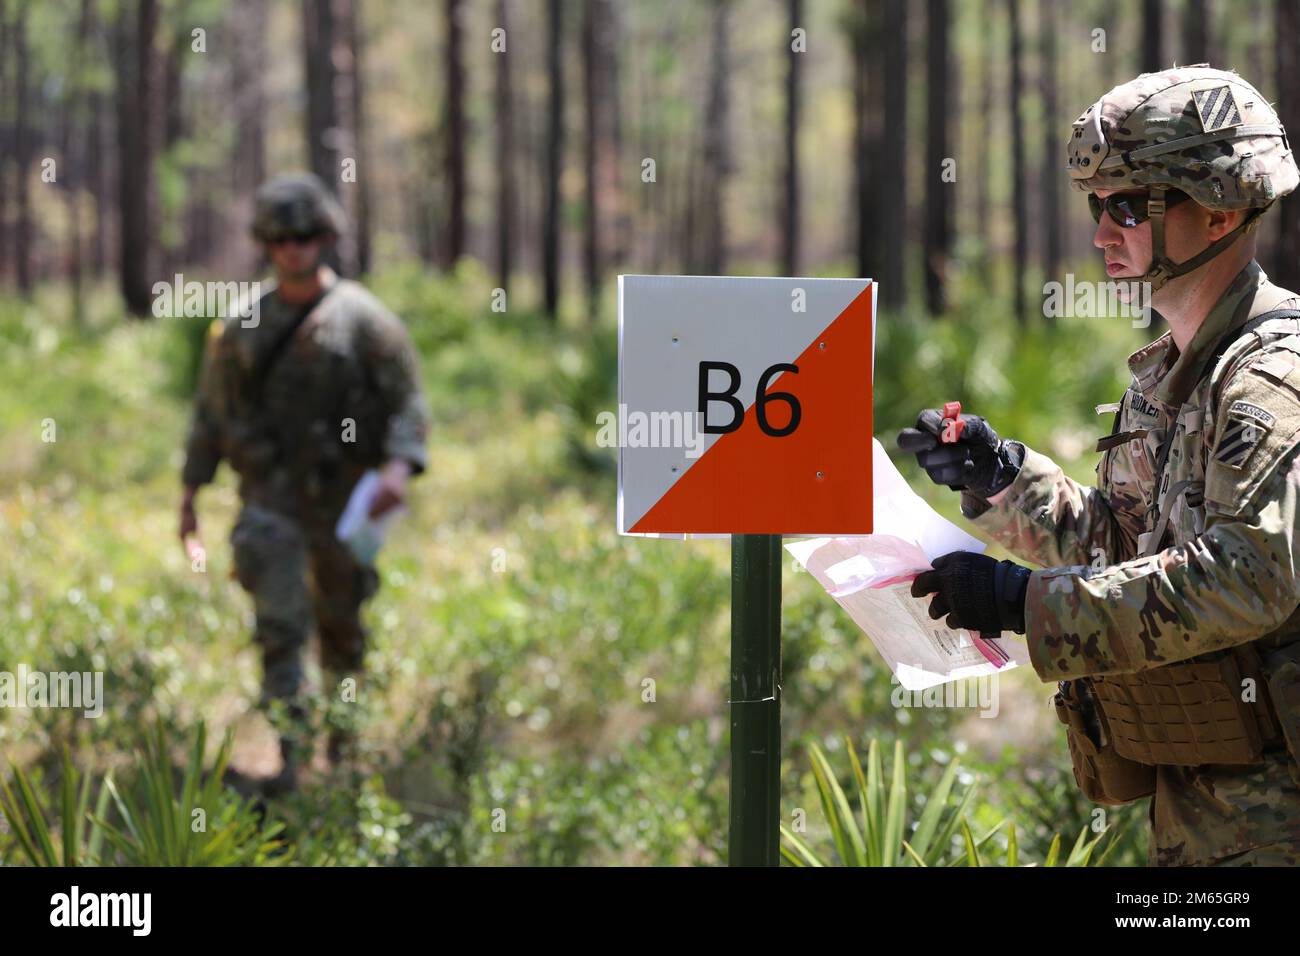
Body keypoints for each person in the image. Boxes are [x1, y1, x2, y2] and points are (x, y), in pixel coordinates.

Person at [900, 67, 1300, 866]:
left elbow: (1250, 577)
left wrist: (1029, 604)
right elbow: (1127, 549)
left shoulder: (1270, 379)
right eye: (1096, 205)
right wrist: (1003, 479)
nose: (1101, 232)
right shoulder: (1171, 374)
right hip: (1200, 809)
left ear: (1220, 209)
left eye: (1128, 206)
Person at [180, 172, 430, 793]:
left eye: (305, 235)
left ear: (325, 238)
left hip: (345, 502)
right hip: (270, 502)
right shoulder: (238, 329)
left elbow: (408, 404)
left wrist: (399, 467)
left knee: (343, 628)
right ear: (265, 243)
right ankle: (291, 761)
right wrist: (189, 496)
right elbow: (211, 416)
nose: (293, 248)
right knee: (282, 630)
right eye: (280, 237)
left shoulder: (365, 322)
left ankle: (343, 755)